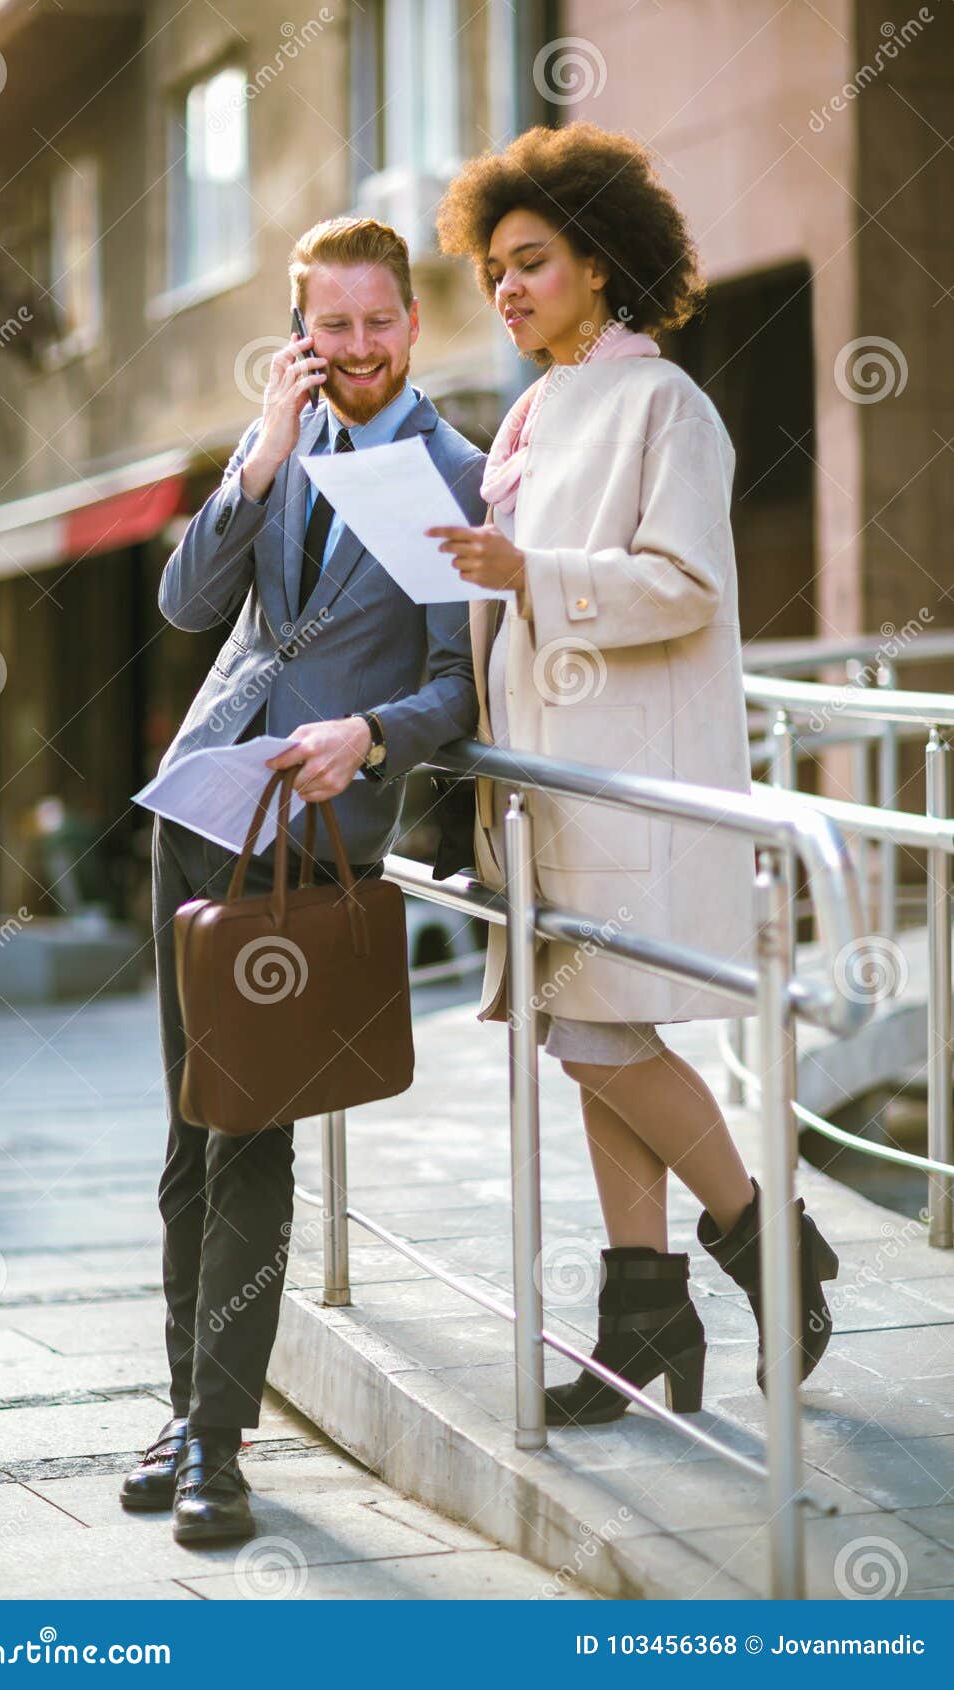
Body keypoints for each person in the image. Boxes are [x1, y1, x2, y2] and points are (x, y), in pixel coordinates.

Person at [428, 123, 839, 1427]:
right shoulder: (541, 411)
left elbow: (685, 586)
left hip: (628, 794)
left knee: (600, 1034)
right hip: (549, 794)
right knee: (595, 1038)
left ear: (602, 265)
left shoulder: (668, 403)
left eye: (532, 261)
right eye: (495, 267)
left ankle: (771, 1241)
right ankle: (644, 1311)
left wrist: (528, 575)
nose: (508, 288)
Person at [122, 216, 483, 1540]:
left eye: (377, 321)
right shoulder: (284, 447)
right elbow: (182, 604)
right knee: (184, 1128)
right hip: (199, 809)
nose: (356, 347)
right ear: (299, 334)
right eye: (330, 325)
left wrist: (371, 734)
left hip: (309, 837)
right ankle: (180, 1406)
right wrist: (259, 463)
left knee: (249, 1126)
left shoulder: (456, 473)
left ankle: (220, 1444)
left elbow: (459, 679)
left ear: (413, 322)